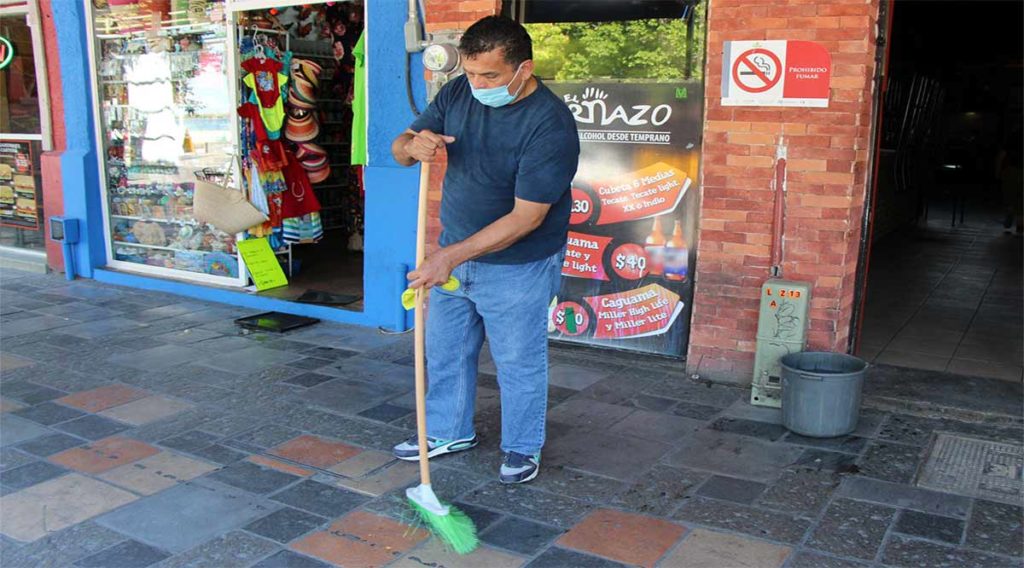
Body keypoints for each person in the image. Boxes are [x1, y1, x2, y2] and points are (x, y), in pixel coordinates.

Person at [389, 16, 579, 484]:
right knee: (445, 351)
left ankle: (522, 447)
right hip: (455, 253)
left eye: (490, 75)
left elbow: (527, 218)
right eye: (471, 73)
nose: (478, 85)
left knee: (517, 360)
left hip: (518, 265)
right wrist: (414, 146)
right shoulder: (458, 91)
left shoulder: (550, 124)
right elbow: (399, 148)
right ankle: (447, 431)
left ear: (523, 68)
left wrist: (448, 256)